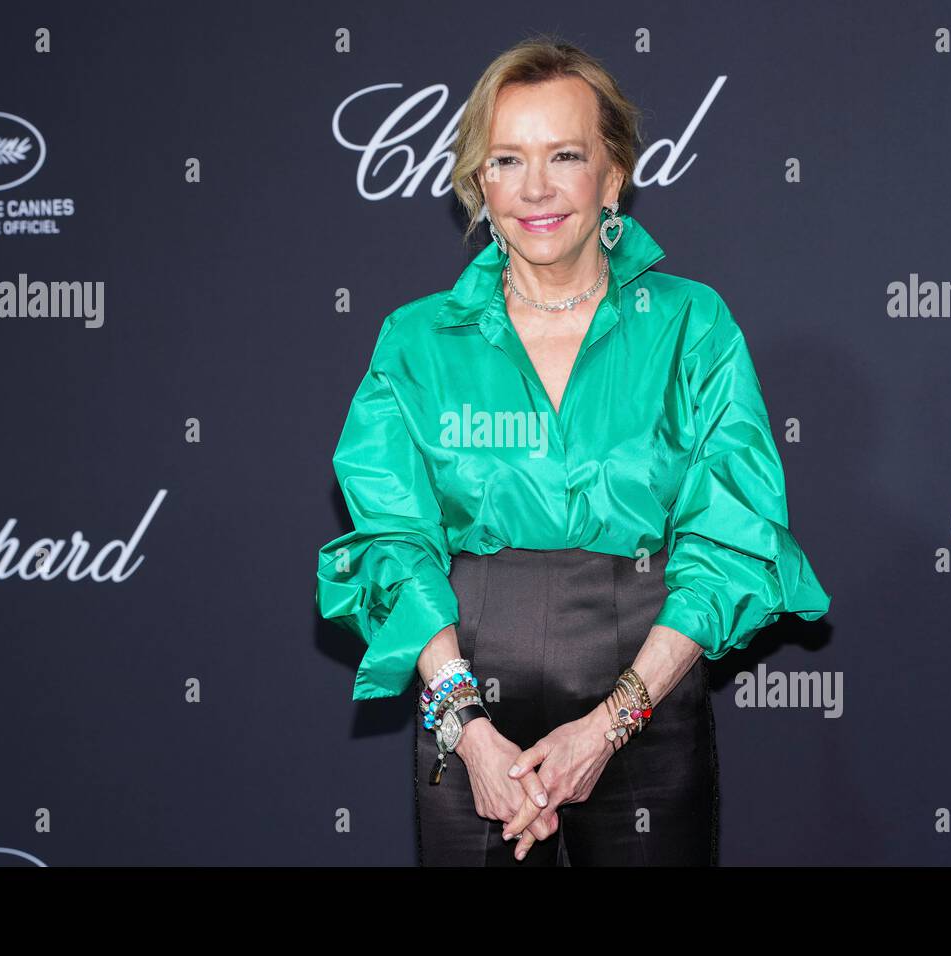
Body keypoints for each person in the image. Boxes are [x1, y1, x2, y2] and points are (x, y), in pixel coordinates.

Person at [314, 36, 831, 866]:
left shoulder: (690, 325)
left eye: (565, 155)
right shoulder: (415, 342)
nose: (537, 189)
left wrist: (614, 721)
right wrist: (468, 728)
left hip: (647, 698)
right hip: (463, 701)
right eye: (507, 160)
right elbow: (393, 538)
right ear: (479, 182)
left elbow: (731, 535)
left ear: (613, 173)